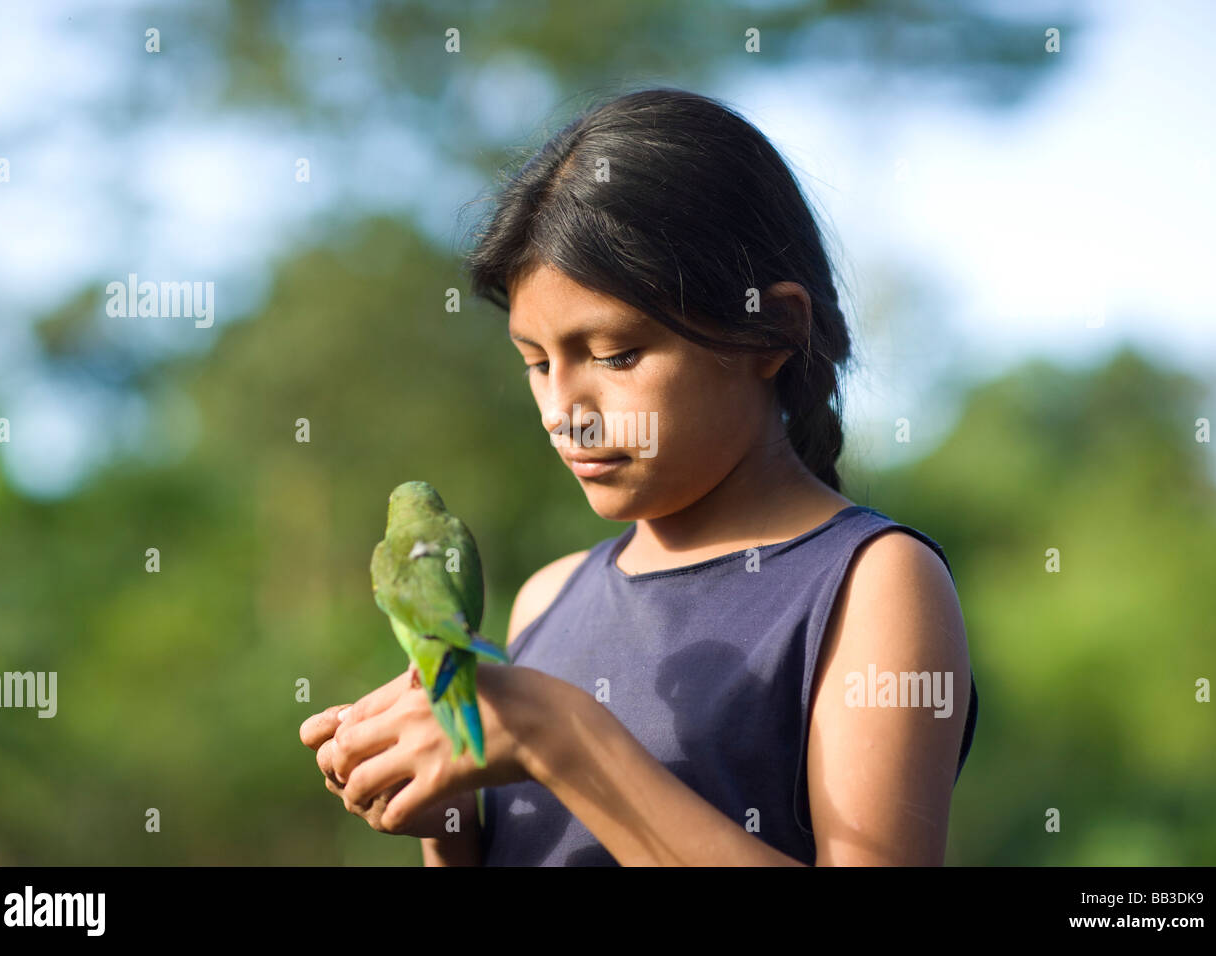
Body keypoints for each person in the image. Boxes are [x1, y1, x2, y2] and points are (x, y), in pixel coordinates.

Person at [299, 86, 978, 866]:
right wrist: (449, 816)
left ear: (773, 330)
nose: (564, 410)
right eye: (535, 362)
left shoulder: (871, 583)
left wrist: (564, 737)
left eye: (616, 355)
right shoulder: (546, 600)